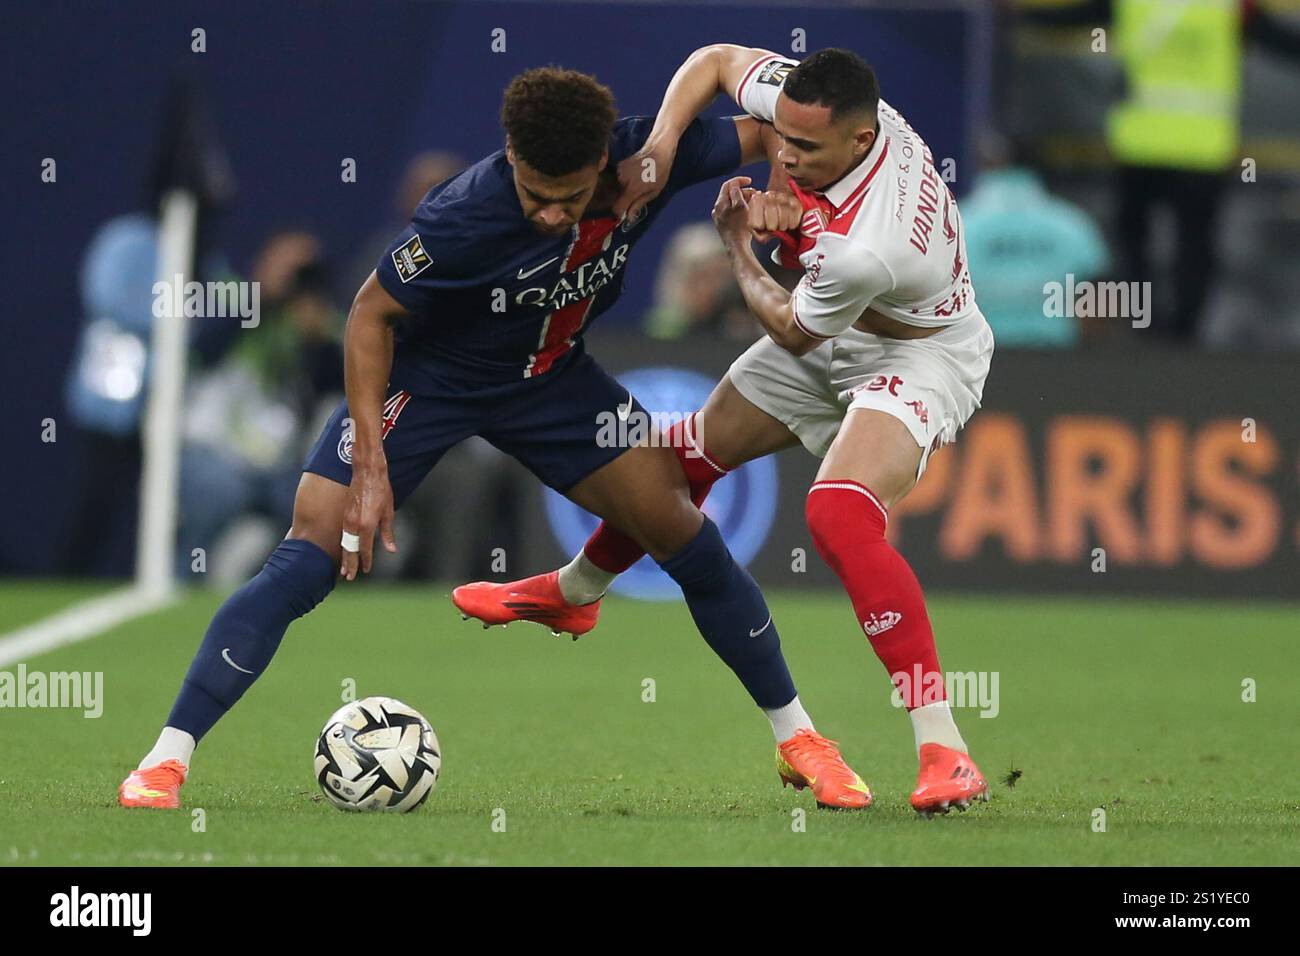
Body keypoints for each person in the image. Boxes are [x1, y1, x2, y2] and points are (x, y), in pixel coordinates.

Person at [119, 66, 870, 812]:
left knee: (684, 530)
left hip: (551, 381)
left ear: (602, 164)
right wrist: (372, 462)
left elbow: (777, 129)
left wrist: (777, 185)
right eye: (534, 194)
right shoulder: (459, 217)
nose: (549, 214)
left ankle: (802, 740)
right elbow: (367, 314)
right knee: (313, 552)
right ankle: (165, 760)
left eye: (569, 197)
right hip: (430, 382)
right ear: (510, 155)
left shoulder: (647, 159)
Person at [455, 45, 994, 816]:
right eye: (785, 135)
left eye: (806, 149)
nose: (786, 149)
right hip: (844, 323)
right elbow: (713, 62)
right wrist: (663, 148)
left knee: (838, 512)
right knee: (672, 471)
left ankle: (945, 748)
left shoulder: (873, 242)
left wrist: (743, 241)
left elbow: (791, 327)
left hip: (919, 355)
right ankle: (576, 592)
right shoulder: (832, 116)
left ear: (863, 141)